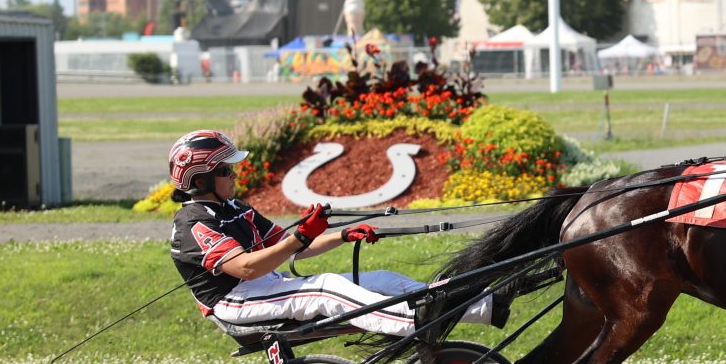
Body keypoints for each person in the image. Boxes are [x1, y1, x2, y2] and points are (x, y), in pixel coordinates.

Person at [165, 129, 496, 337]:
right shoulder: (193, 223)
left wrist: (341, 235)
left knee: (385, 280)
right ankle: (415, 323)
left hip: (267, 286)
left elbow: (290, 247)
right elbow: (247, 268)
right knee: (326, 288)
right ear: (199, 180)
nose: (234, 175)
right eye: (225, 170)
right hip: (236, 301)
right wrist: (300, 237)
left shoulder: (236, 208)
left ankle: (484, 306)